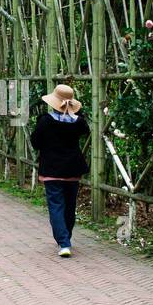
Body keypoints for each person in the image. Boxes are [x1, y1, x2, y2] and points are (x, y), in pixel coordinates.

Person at [30, 84, 89, 258]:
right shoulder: (78, 121)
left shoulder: (45, 121)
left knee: (56, 205)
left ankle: (64, 242)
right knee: (70, 206)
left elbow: (36, 142)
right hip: (72, 168)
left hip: (52, 168)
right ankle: (65, 238)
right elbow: (85, 131)